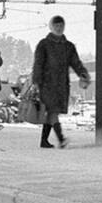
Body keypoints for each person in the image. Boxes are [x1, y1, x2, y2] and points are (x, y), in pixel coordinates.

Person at [32, 15, 90, 149]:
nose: (59, 28)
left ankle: (44, 141)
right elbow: (38, 63)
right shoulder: (44, 44)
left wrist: (82, 73)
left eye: (61, 26)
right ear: (51, 27)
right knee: (52, 111)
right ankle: (61, 138)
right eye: (56, 26)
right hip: (46, 84)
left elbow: (75, 62)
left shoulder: (68, 46)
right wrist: (36, 81)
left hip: (61, 84)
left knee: (52, 112)